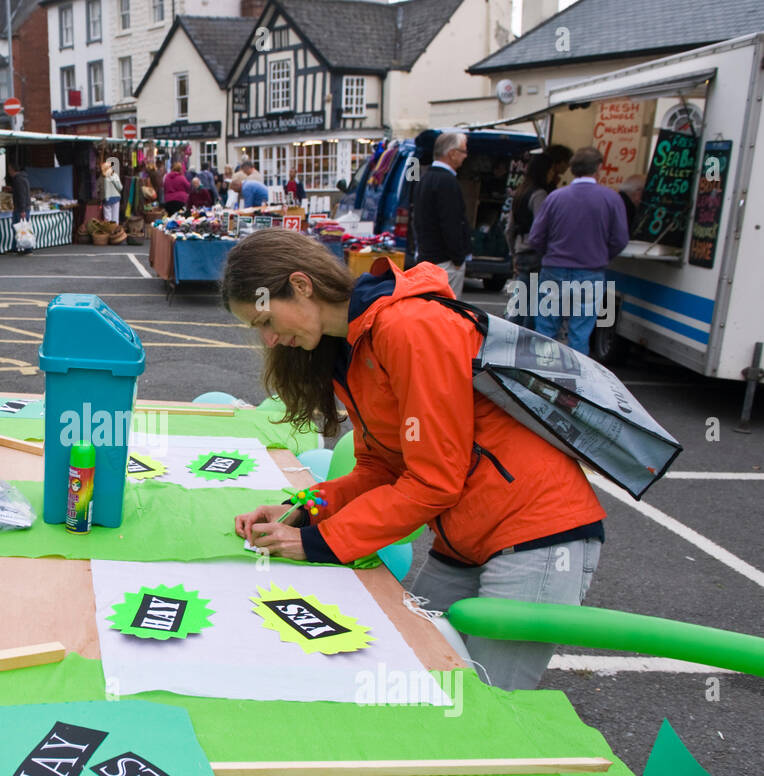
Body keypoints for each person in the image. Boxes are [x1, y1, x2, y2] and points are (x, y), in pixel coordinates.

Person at [223, 229, 606, 690]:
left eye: (264, 320)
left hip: (538, 533)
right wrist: (305, 508)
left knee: (487, 705)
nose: (268, 339)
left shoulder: (409, 327)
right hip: (466, 534)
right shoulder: (352, 343)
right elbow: (379, 470)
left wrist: (317, 543)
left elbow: (432, 482)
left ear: (302, 286)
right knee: (417, 672)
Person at [524, 146, 629, 355]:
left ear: (572, 169)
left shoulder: (555, 198)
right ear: (599, 168)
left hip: (554, 268)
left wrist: (551, 252)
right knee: (580, 332)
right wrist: (602, 254)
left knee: (545, 328)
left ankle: (542, 376)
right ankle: (575, 381)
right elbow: (620, 239)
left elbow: (535, 238)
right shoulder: (611, 199)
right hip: (590, 271)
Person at [412, 131, 472, 295]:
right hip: (445, 261)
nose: (465, 156)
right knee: (448, 311)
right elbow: (451, 222)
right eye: (463, 151)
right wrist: (458, 257)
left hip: (427, 256)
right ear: (452, 153)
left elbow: (417, 220)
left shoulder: (424, 179)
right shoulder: (448, 182)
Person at [504, 152, 554, 325]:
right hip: (536, 253)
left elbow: (509, 228)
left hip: (521, 250)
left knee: (521, 301)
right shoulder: (540, 194)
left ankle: (512, 336)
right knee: (534, 305)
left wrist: (513, 253)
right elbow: (542, 227)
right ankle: (525, 341)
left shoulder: (520, 193)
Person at [8, 162, 31, 253]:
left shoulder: (18, 180)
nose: (9, 172)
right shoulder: (23, 178)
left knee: (19, 228)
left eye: (9, 169)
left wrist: (22, 210)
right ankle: (15, 247)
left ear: (12, 170)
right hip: (23, 208)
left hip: (20, 208)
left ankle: (27, 248)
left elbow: (21, 195)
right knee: (18, 228)